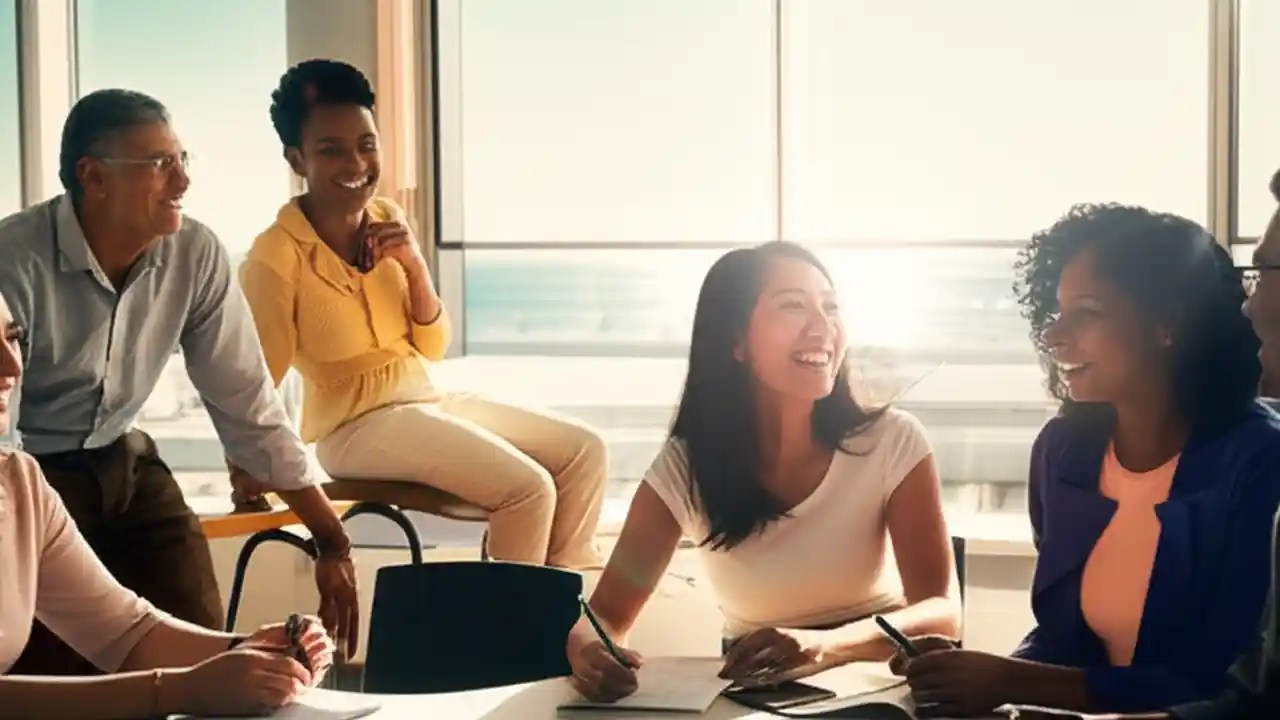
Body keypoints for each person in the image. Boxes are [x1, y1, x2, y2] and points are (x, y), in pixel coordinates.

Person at [0, 88, 359, 674]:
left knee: (205, 646)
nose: (183, 182)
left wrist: (330, 538)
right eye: (160, 164)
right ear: (93, 178)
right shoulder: (12, 260)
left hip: (125, 461)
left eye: (183, 160)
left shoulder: (195, 254)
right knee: (55, 669)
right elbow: (1, 438)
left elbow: (248, 406)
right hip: (33, 476)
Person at [891, 204, 1280, 718]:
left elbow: (1226, 684)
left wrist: (1017, 680)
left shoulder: (1258, 460)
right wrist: (977, 674)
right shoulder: (1063, 451)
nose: (1053, 336)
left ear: (1167, 325)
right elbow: (1063, 638)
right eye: (1056, 312)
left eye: (1087, 312)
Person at [238, 59, 605, 568]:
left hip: (426, 399)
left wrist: (413, 264)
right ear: (297, 160)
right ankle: (506, 639)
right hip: (353, 429)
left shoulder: (388, 218)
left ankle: (563, 620)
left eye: (367, 145)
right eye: (331, 150)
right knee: (528, 489)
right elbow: (257, 380)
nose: (356, 164)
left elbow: (433, 345)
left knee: (585, 452)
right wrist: (245, 469)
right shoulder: (275, 257)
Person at [565, 240, 961, 702]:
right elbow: (605, 616)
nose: (823, 326)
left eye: (831, 307)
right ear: (736, 341)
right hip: (758, 694)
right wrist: (591, 652)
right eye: (793, 306)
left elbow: (942, 613)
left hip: (876, 686)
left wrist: (823, 646)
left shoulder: (892, 441)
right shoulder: (685, 468)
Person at [0, 289, 336, 718]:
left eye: (13, 339)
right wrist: (176, 691)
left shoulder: (20, 482)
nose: (11, 367)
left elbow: (124, 631)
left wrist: (253, 649)